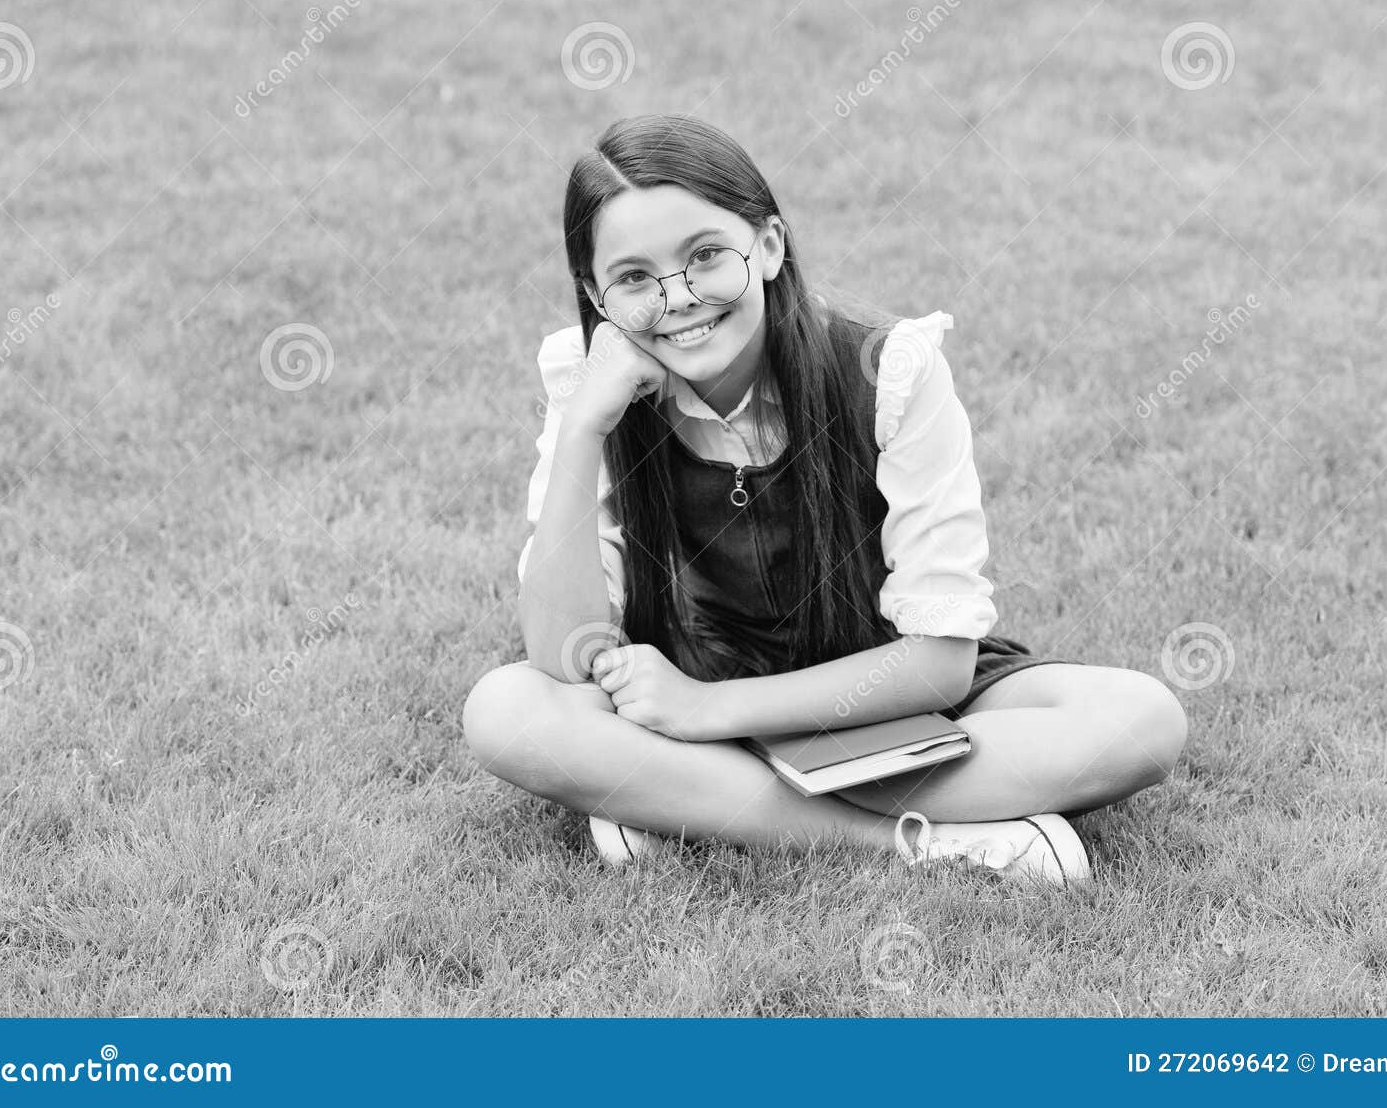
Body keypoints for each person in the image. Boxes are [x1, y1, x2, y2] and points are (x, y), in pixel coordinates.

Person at [463, 113, 1187, 885]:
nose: (678, 298)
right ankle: (923, 841)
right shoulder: (587, 380)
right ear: (595, 296)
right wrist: (583, 429)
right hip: (686, 677)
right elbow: (560, 655)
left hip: (874, 698)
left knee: (1141, 720)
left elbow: (941, 666)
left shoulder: (889, 369)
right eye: (634, 277)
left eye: (706, 256)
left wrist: (709, 713)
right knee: (504, 708)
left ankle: (680, 801)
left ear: (769, 245)